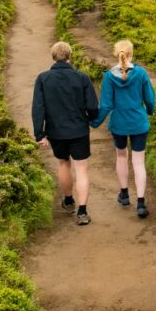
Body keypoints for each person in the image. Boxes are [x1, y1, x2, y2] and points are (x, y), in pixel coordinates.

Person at [32, 41, 99, 225]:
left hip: (56, 131)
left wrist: (40, 134)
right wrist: (93, 119)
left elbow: (38, 108)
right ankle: (82, 212)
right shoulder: (82, 78)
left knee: (63, 163)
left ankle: (69, 201)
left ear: (54, 57)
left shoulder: (43, 79)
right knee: (82, 169)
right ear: (70, 56)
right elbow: (93, 106)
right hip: (79, 130)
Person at [90, 39, 156, 219]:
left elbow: (105, 105)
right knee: (139, 162)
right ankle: (141, 203)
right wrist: (150, 111)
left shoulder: (109, 76)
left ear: (116, 54)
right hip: (139, 123)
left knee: (121, 156)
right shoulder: (141, 73)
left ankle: (124, 194)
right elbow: (150, 99)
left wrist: (95, 123)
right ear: (131, 54)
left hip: (119, 124)